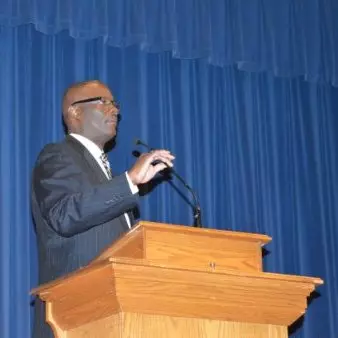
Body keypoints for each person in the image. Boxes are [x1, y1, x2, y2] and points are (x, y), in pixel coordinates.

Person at [31, 80, 174, 338]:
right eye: (103, 102)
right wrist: (129, 182)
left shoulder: (105, 174)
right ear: (75, 112)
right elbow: (64, 215)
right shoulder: (57, 155)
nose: (114, 110)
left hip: (117, 314)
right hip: (75, 314)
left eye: (115, 104)